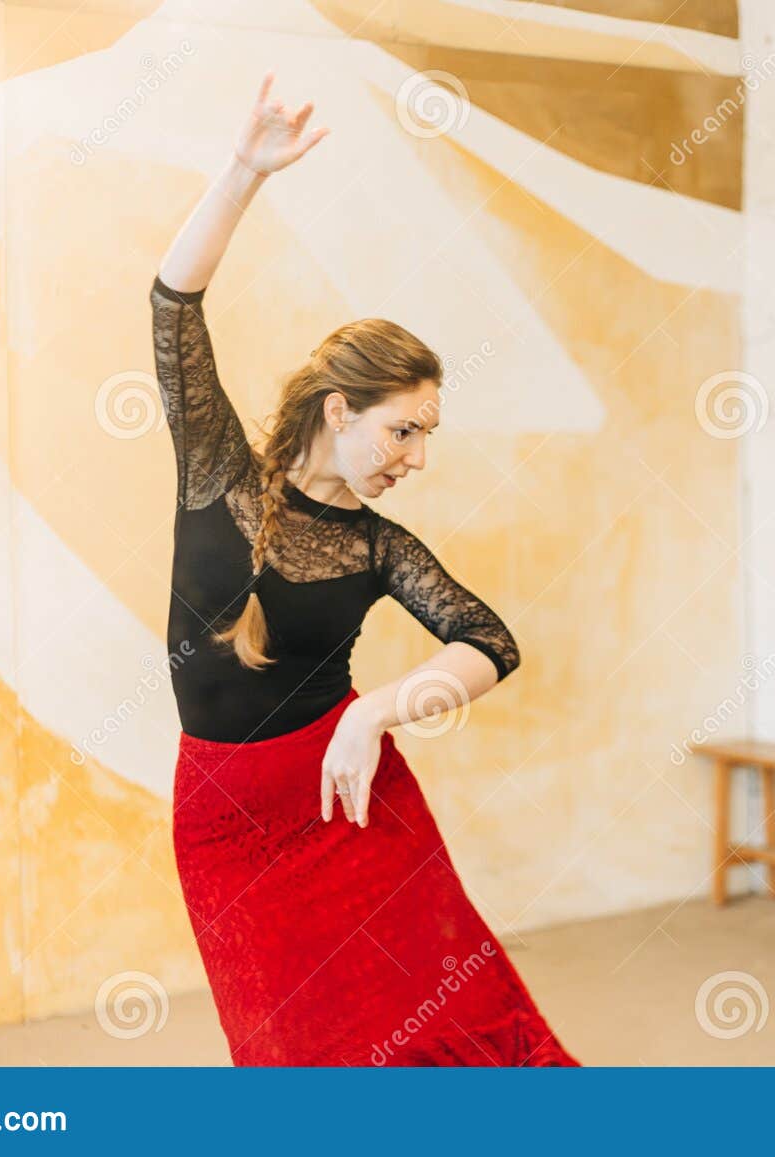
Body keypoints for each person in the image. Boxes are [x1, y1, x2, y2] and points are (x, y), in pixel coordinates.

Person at [153, 71, 578, 1067]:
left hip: (350, 804)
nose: (415, 457)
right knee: (290, 1048)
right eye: (404, 429)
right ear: (341, 410)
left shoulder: (380, 544)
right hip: (223, 818)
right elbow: (174, 304)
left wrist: (374, 709)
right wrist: (243, 173)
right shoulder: (217, 472)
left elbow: (490, 642)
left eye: (427, 434)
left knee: (436, 1027)